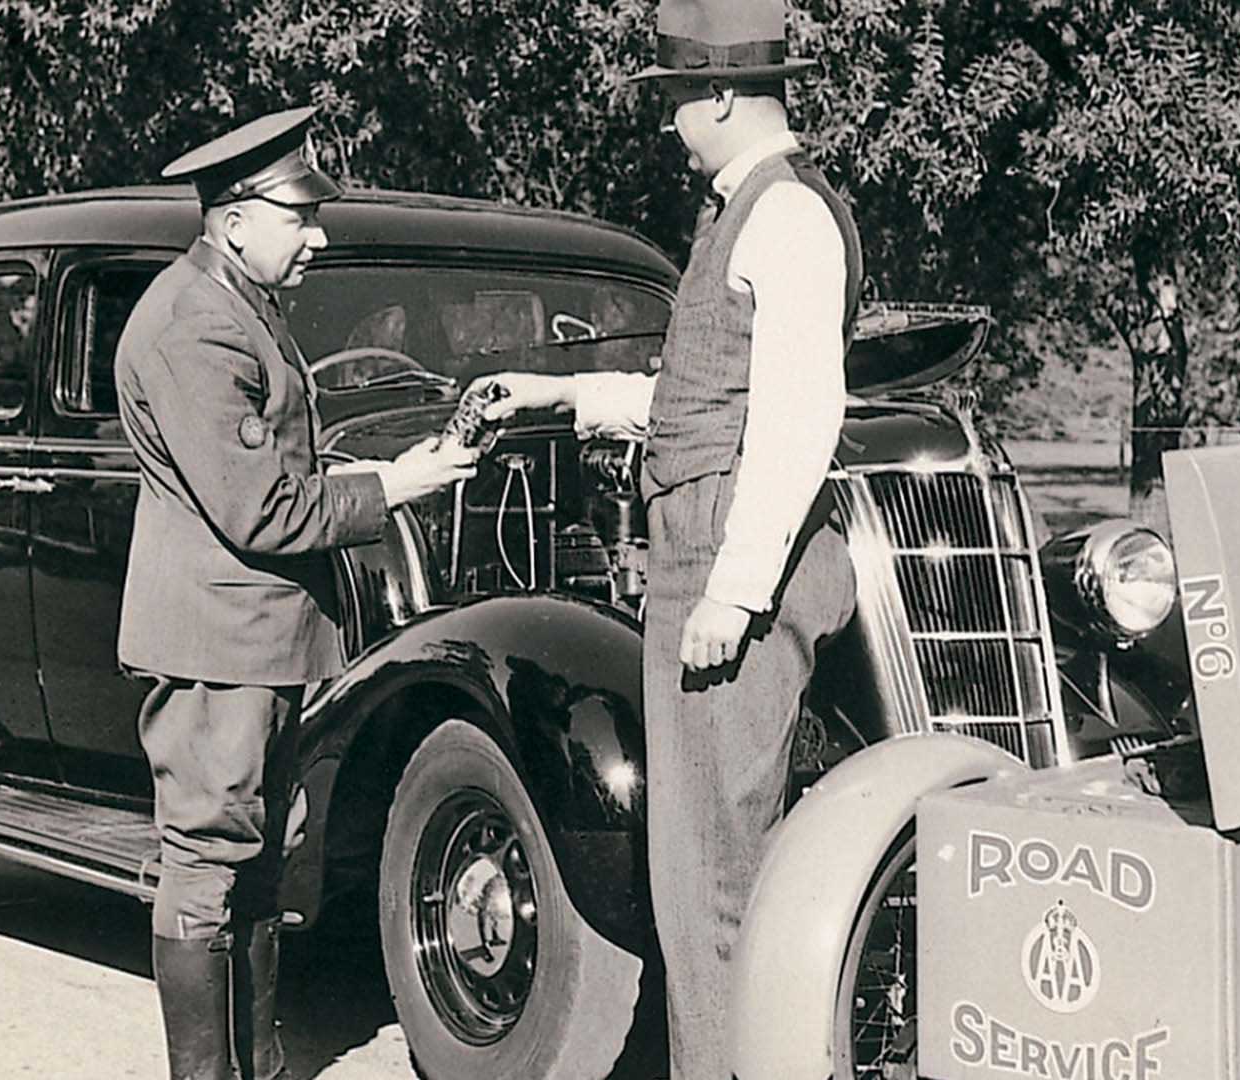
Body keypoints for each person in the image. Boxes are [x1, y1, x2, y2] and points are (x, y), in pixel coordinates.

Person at [474, 2, 864, 1075]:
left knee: (715, 887)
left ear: (725, 94)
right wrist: (565, 394)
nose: (669, 123)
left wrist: (732, 596)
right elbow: (702, 396)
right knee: (703, 875)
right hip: (711, 557)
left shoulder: (782, 217)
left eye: (675, 99)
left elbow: (797, 421)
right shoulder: (751, 209)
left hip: (729, 569)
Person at [114, 106, 476, 1080]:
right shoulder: (193, 321)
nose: (317, 236)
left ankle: (257, 1069)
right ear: (233, 218)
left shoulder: (237, 303)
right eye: (299, 216)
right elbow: (259, 509)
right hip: (214, 648)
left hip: (257, 643)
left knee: (260, 867)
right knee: (205, 867)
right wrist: (398, 485)